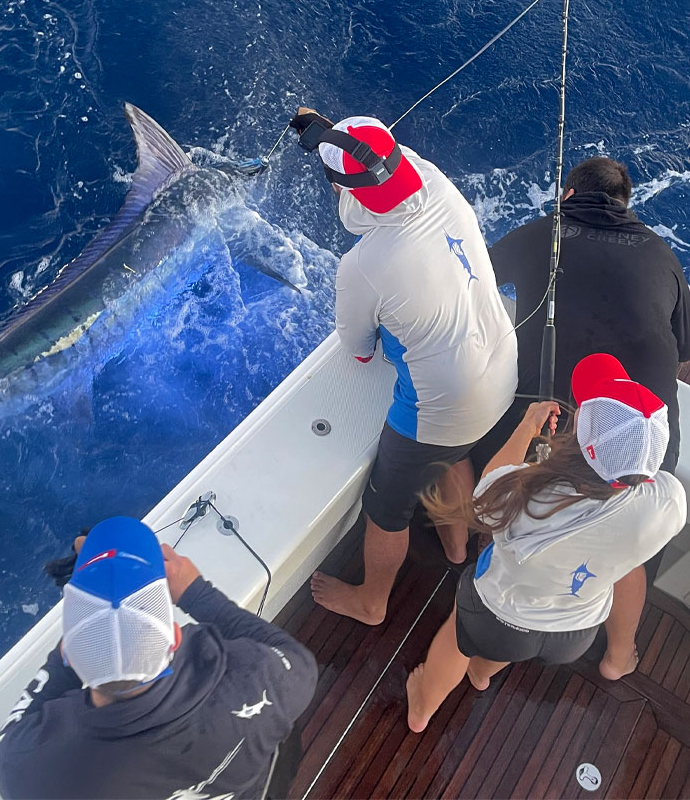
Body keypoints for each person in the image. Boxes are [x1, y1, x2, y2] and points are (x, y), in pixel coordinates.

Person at [290, 108, 517, 625]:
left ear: (350, 194)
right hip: (502, 367)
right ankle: (456, 550)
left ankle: (372, 602)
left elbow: (360, 349)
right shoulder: (435, 184)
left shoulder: (364, 264)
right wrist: (323, 130)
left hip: (444, 408)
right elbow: (379, 157)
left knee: (386, 509)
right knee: (453, 453)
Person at [406, 353, 687, 733]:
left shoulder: (529, 497)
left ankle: (421, 707)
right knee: (506, 650)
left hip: (501, 620)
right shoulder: (669, 503)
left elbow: (487, 494)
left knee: (460, 638)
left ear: (583, 439)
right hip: (576, 631)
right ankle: (481, 675)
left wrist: (528, 425)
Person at [0, 516, 318, 799]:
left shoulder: (23, 767)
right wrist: (197, 593)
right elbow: (295, 657)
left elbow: (27, 715)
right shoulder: (269, 679)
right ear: (176, 637)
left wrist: (90, 621)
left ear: (68, 654)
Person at [471, 156, 690, 479]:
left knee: (464, 445)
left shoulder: (537, 234)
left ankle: (484, 529)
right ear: (624, 203)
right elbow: (683, 352)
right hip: (647, 456)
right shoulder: (663, 254)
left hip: (543, 445)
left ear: (568, 196)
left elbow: (470, 282)